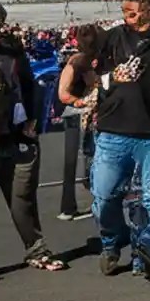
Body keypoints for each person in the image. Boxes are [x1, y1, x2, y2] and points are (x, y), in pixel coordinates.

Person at [0, 0, 67, 283]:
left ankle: (37, 250)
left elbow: (29, 84)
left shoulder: (11, 47)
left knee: (23, 197)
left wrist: (33, 118)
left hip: (18, 132)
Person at [91, 0, 150, 276]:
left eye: (132, 11)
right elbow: (90, 73)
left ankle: (142, 251)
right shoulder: (114, 37)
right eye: (124, 11)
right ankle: (110, 242)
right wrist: (109, 78)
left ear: (148, 9)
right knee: (104, 196)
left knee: (148, 199)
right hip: (112, 128)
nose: (127, 16)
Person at [57, 24, 101, 220]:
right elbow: (63, 93)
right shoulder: (76, 61)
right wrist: (81, 101)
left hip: (89, 113)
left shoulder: (91, 60)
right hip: (77, 113)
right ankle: (68, 206)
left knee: (89, 156)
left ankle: (88, 201)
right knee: (75, 159)